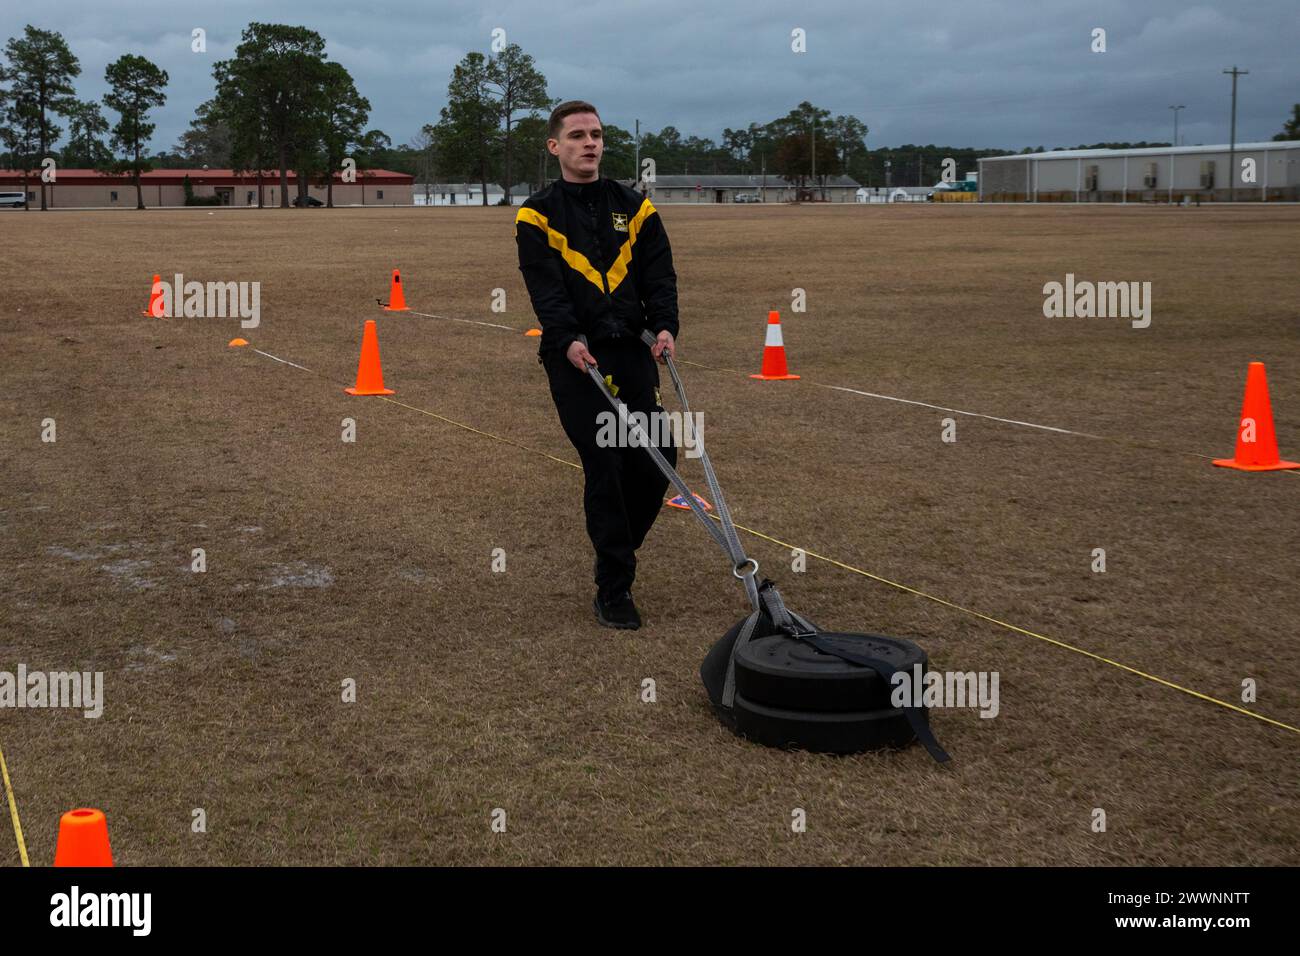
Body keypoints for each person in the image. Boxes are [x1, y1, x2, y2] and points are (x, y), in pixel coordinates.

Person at [515, 100, 679, 631]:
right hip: (576, 357)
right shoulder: (536, 214)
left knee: (658, 462)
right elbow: (546, 286)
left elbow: (658, 274)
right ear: (554, 146)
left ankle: (616, 549)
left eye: (597, 135)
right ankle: (614, 588)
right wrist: (565, 339)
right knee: (606, 463)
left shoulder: (637, 207)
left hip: (632, 350)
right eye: (579, 135)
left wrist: (665, 325)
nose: (590, 143)